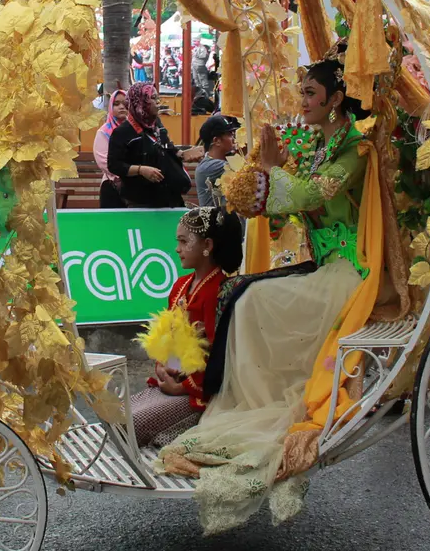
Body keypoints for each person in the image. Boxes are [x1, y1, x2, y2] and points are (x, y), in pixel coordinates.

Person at [160, 57, 384, 534]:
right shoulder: (315, 142)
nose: (301, 101)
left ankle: (255, 399)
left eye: (309, 93)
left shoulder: (354, 149)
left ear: (335, 99)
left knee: (254, 299)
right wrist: (263, 176)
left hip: (351, 272)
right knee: (241, 291)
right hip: (325, 265)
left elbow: (307, 196)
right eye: (301, 92)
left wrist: (269, 172)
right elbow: (280, 208)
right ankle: (223, 394)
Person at [131, 207, 243, 447]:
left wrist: (182, 387)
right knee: (116, 415)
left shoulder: (219, 292)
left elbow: (218, 355)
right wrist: (163, 367)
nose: (177, 249)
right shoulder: (181, 285)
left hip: (198, 393)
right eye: (178, 241)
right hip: (172, 380)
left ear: (207, 245)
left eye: (183, 241)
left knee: (132, 422)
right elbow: (168, 337)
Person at [106, 82, 192, 208]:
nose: (158, 102)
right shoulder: (122, 132)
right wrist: (141, 170)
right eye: (152, 98)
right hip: (140, 202)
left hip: (170, 198)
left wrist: (183, 154)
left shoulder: (157, 125)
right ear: (140, 102)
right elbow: (114, 165)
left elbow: (166, 148)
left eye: (157, 97)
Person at [195, 114, 241, 208]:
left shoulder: (222, 161)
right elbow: (247, 168)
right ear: (217, 141)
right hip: (216, 222)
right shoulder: (209, 167)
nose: (234, 139)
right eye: (229, 135)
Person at [93, 89, 128, 208]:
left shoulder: (137, 130)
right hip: (112, 185)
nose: (122, 107)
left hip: (136, 187)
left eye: (125, 103)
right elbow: (104, 161)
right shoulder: (104, 132)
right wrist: (129, 171)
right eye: (116, 104)